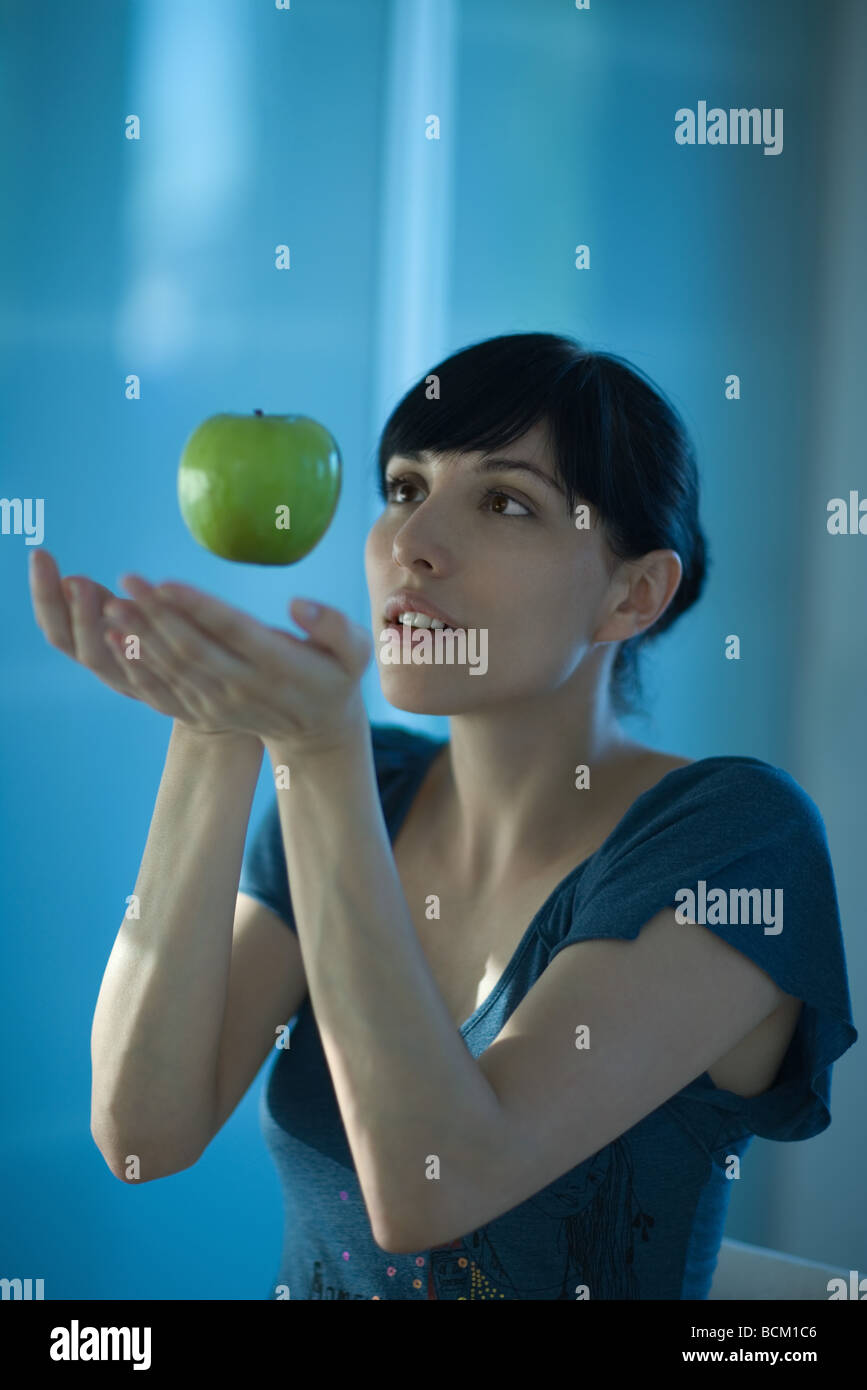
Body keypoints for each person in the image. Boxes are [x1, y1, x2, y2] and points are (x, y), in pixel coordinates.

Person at [31, 331, 857, 1300]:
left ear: (634, 595)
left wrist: (314, 749)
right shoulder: (363, 787)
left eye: (506, 501)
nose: (413, 547)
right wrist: (212, 733)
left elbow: (439, 1182)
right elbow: (142, 1134)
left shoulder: (738, 839)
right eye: (405, 488)